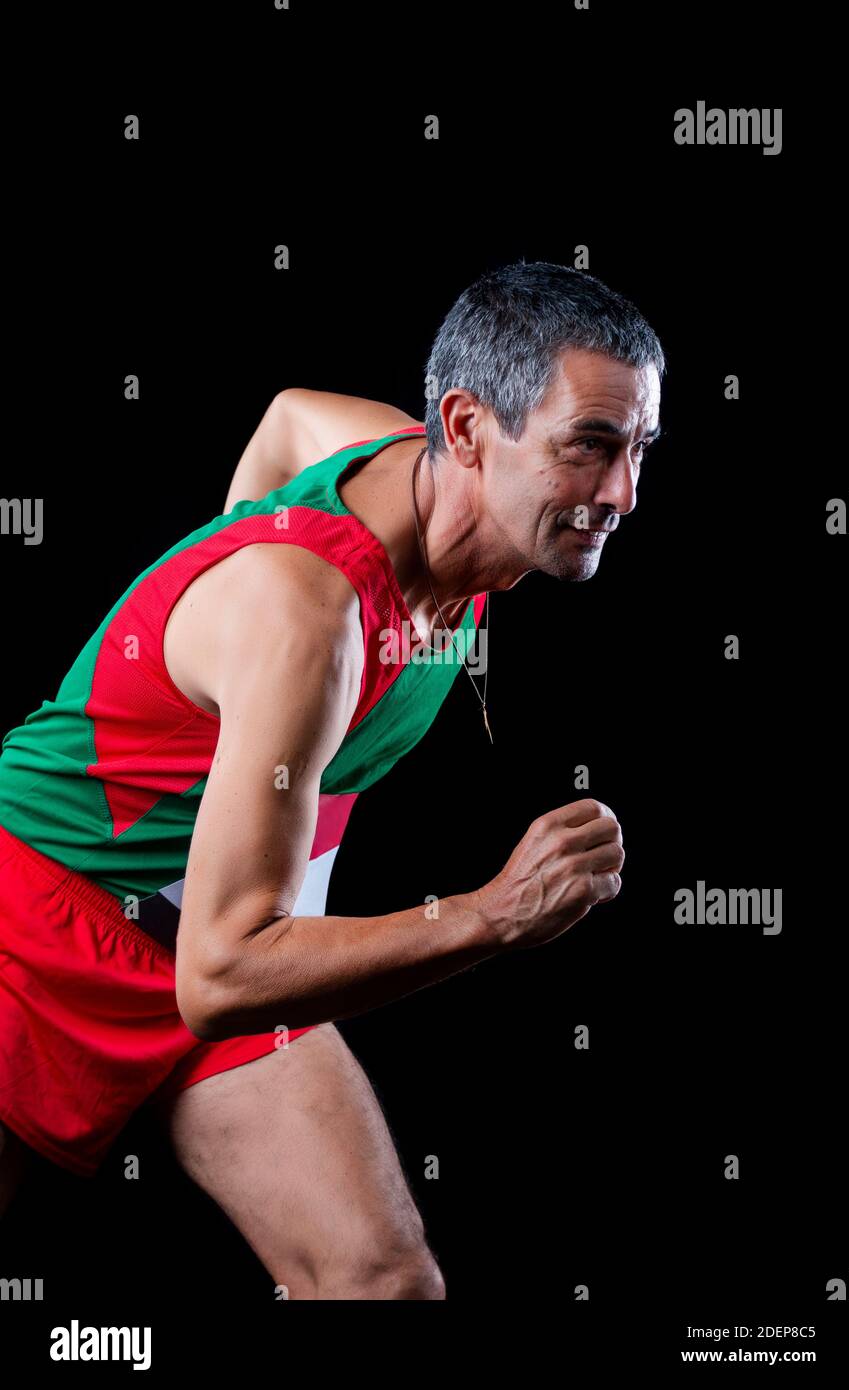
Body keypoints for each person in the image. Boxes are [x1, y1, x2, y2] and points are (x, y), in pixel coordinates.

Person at [0, 261, 663, 1298]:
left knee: (380, 1282)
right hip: (39, 921)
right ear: (465, 427)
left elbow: (283, 418)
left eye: (637, 451)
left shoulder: (420, 478)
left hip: (214, 928)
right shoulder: (312, 615)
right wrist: (490, 916)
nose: (622, 493)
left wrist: (243, 718)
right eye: (588, 447)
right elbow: (223, 975)